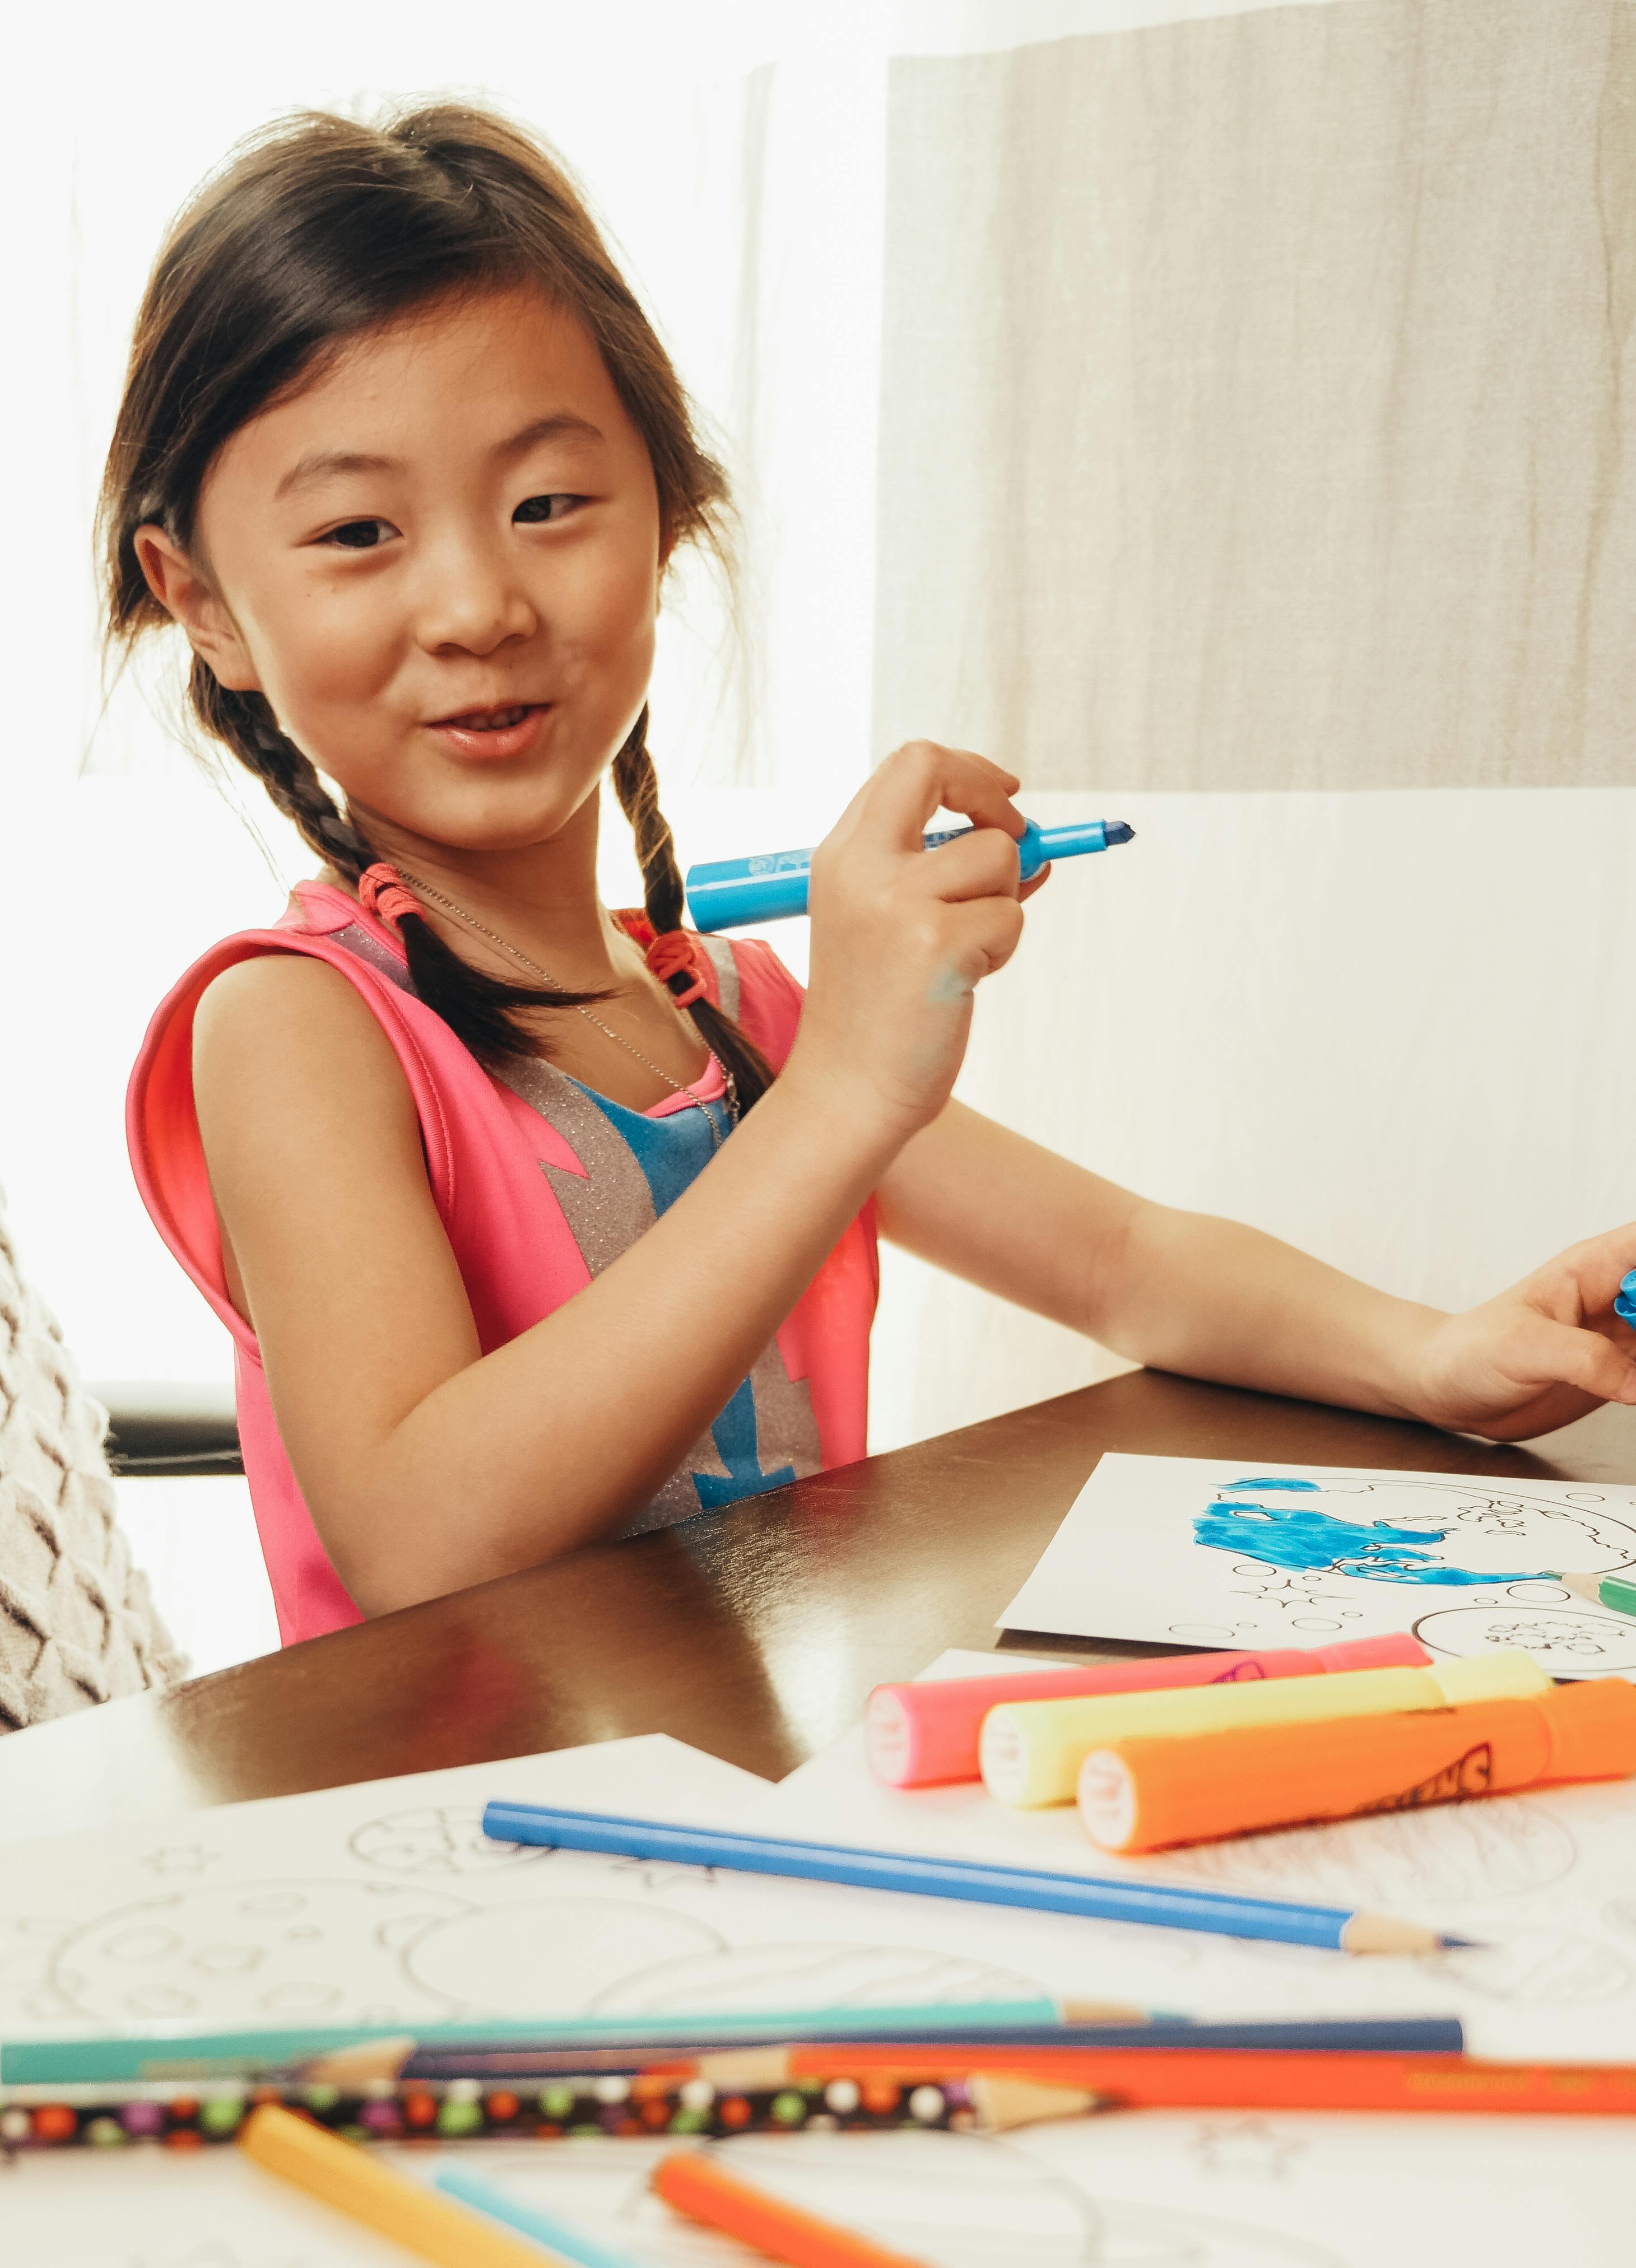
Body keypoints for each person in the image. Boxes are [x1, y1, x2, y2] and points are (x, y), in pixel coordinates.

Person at [110, 104, 1636, 1648]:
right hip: (424, 1841)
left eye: (548, 505)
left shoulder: (735, 1012)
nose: (477, 603)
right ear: (205, 605)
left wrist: (1437, 1353)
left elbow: (1122, 1263)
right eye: (360, 531)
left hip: (746, 1785)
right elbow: (424, 1541)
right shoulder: (296, 1030)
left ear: (669, 512)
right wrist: (840, 1094)